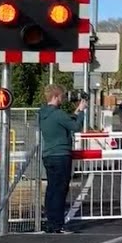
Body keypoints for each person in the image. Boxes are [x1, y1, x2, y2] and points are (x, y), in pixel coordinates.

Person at [38, 84, 86, 233]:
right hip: (61, 155)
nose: (63, 99)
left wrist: (76, 111)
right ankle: (57, 224)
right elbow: (75, 126)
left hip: (48, 155)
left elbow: (65, 120)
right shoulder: (58, 114)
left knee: (51, 189)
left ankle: (50, 220)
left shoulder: (42, 113)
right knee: (60, 190)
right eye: (61, 97)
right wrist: (82, 112)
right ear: (55, 96)